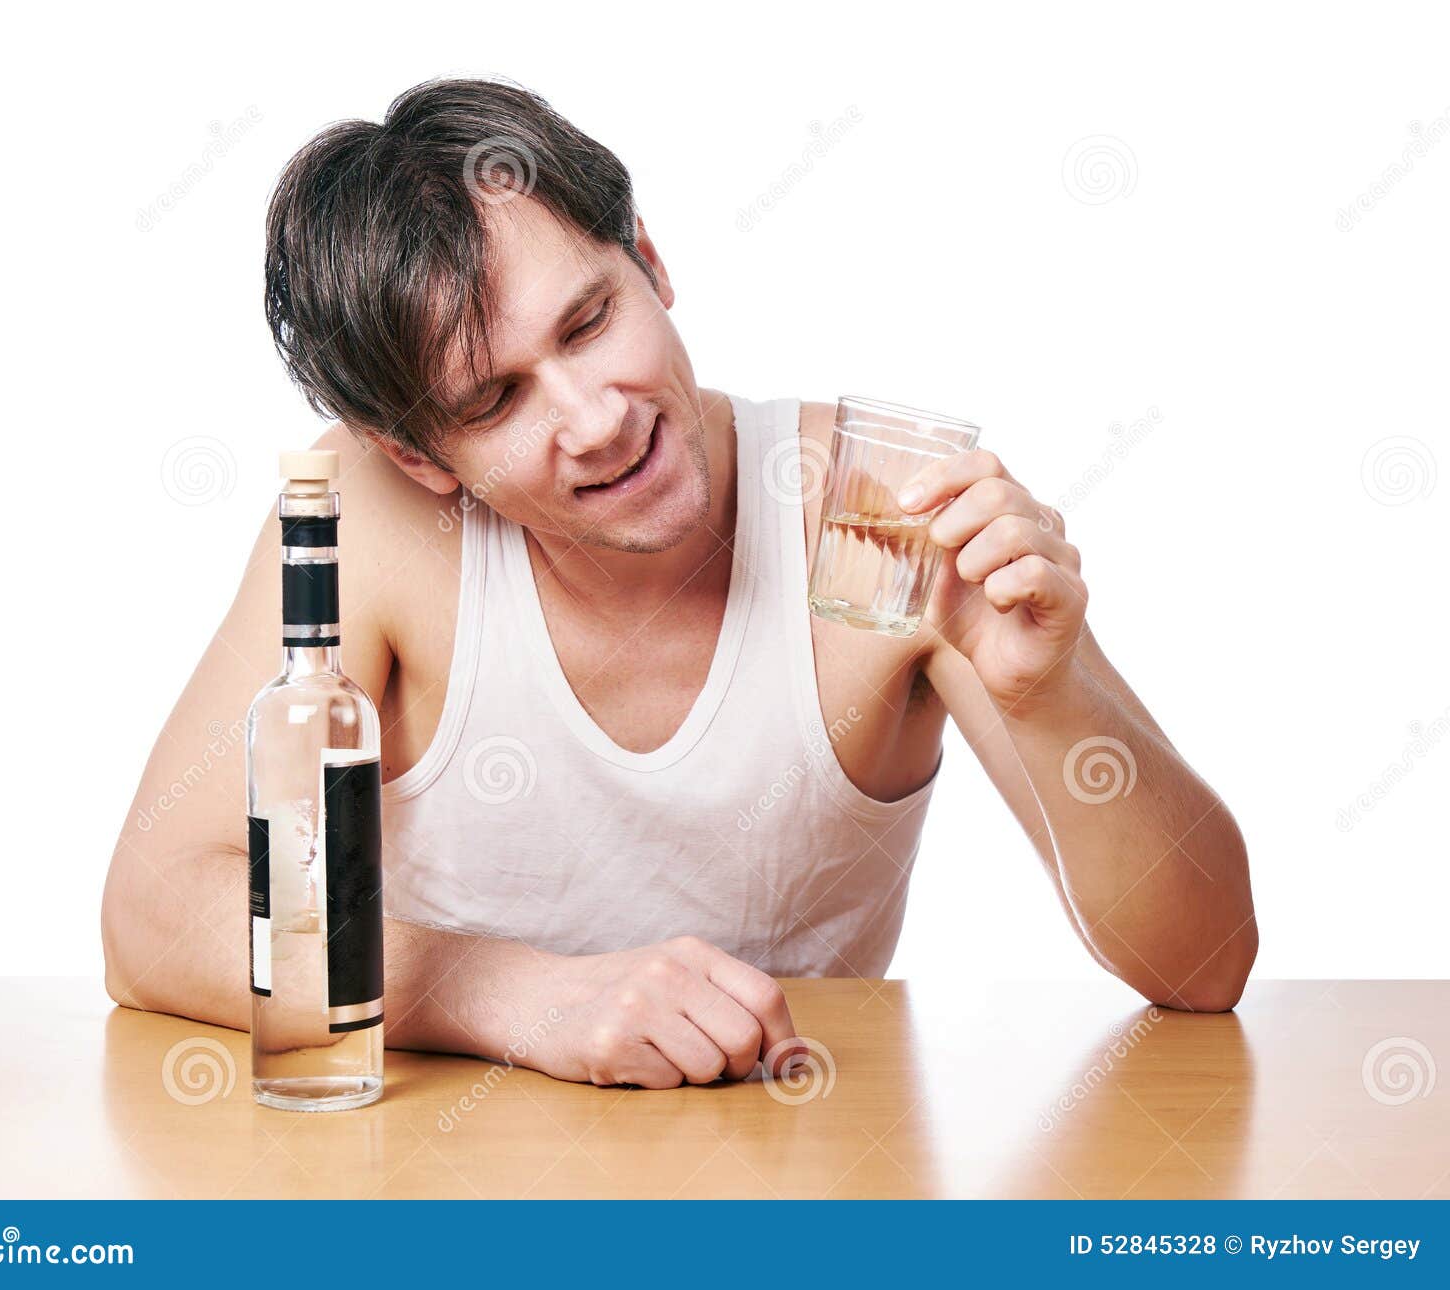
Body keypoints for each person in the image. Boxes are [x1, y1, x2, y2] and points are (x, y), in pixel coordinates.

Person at [101, 77, 1257, 1090]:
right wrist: (521, 1001)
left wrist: (1048, 697)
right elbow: (154, 913)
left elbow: (1204, 967)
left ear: (650, 260)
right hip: (440, 1193)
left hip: (794, 1182)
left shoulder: (873, 506)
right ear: (416, 456)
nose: (598, 421)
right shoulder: (372, 523)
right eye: (496, 402)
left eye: (592, 321)